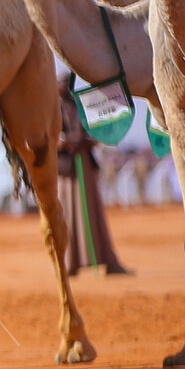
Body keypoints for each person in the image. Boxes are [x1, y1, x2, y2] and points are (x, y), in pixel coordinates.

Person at [57, 72, 129, 275]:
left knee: (93, 213)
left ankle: (107, 261)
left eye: (65, 83)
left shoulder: (83, 106)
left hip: (85, 166)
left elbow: (97, 130)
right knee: (68, 215)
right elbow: (46, 136)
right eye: (59, 83)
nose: (61, 86)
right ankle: (70, 264)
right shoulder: (51, 107)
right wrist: (65, 143)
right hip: (67, 171)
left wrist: (89, 140)